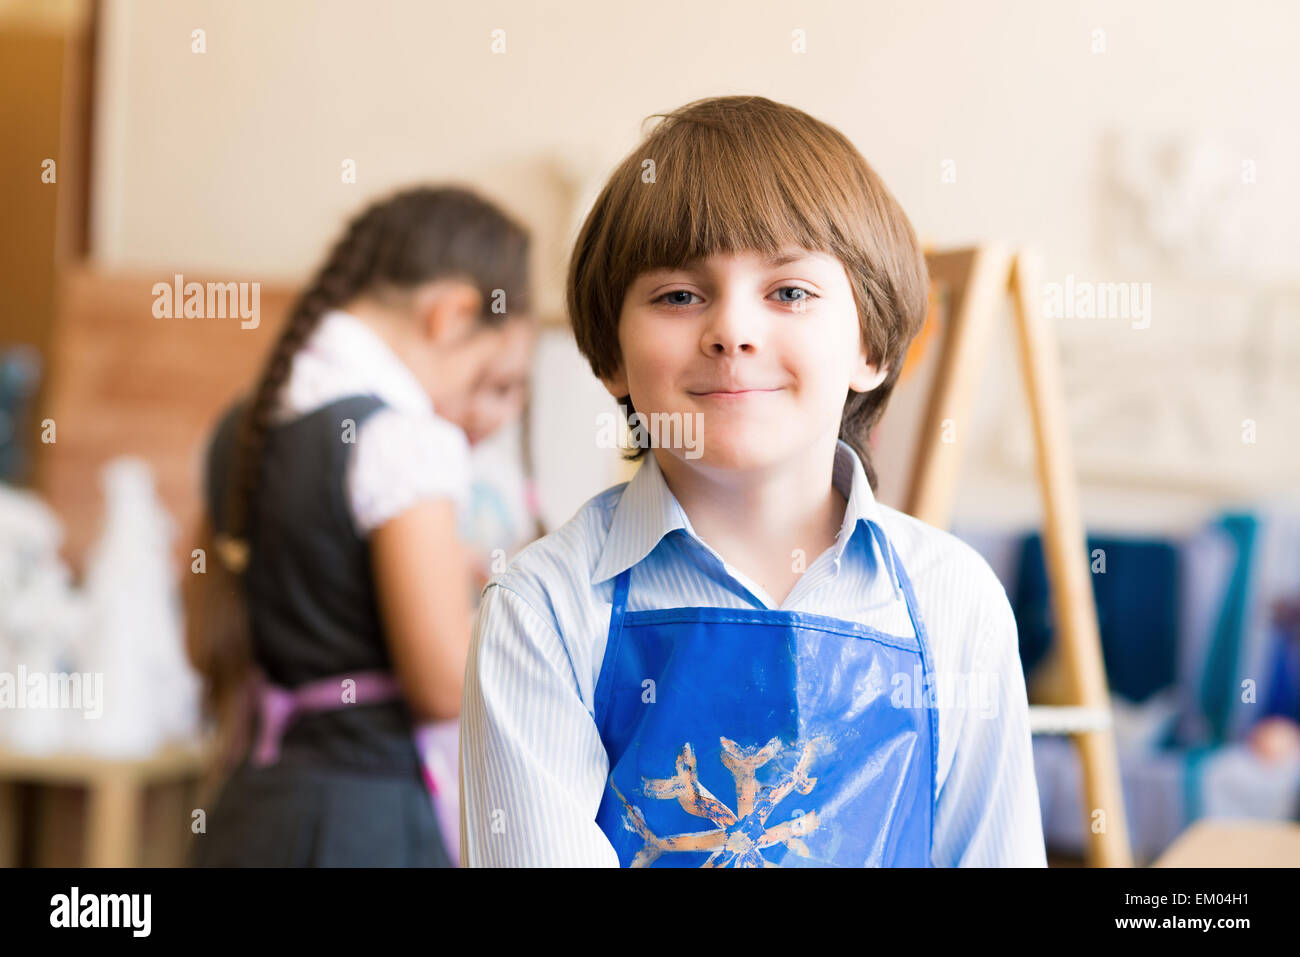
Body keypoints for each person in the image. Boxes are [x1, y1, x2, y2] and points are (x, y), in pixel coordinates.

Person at [460, 95, 1047, 867]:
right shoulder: (542, 609)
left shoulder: (955, 600)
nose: (733, 330)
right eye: (679, 294)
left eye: (789, 292)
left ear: (869, 343)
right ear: (610, 358)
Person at [186, 185, 531, 867]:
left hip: (251, 808)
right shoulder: (403, 438)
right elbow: (442, 683)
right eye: (486, 376)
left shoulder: (243, 426)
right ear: (453, 314)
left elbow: (236, 607)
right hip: (363, 822)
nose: (473, 408)